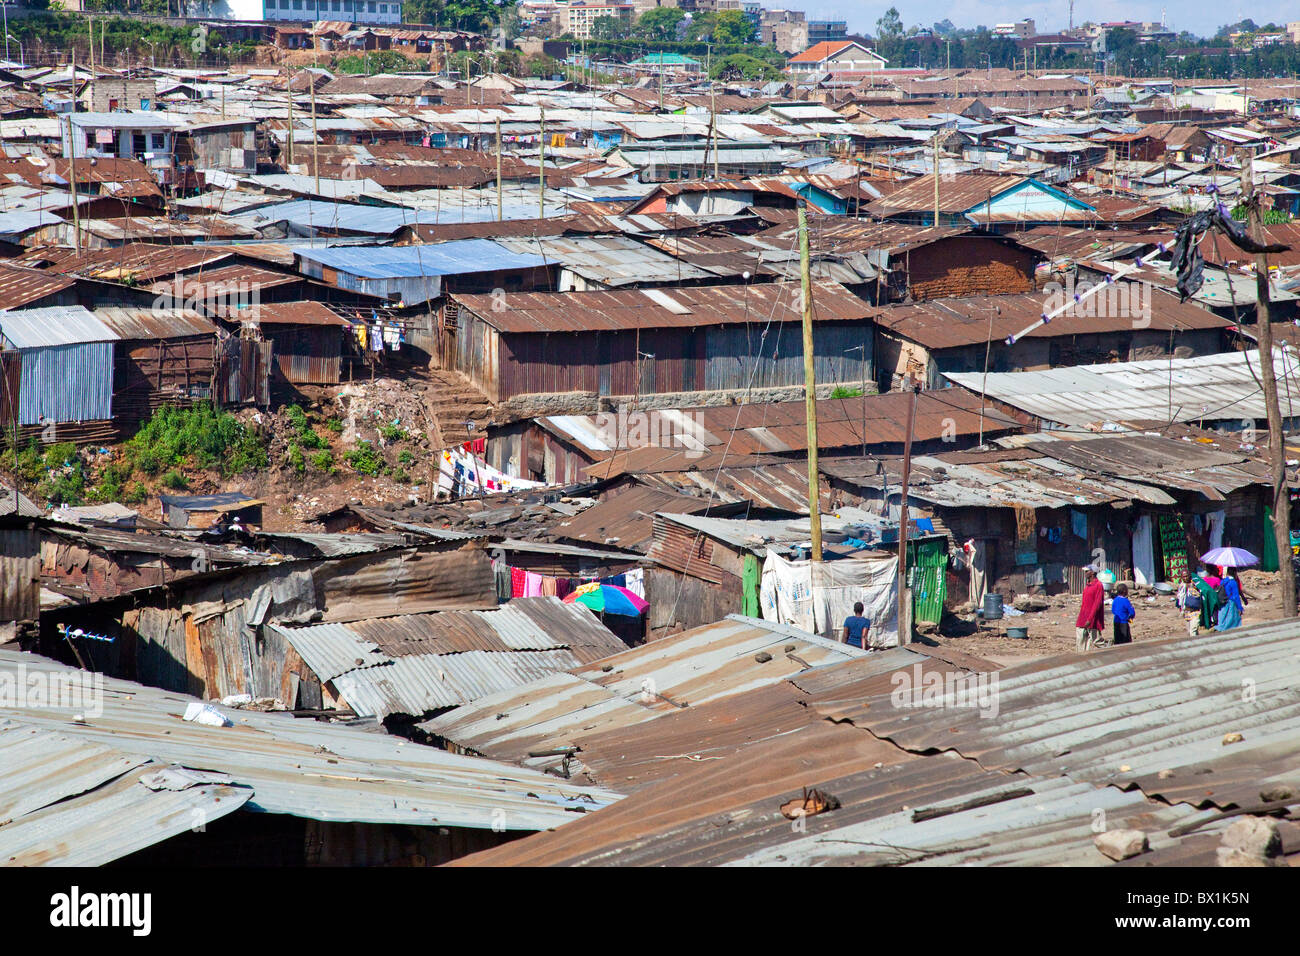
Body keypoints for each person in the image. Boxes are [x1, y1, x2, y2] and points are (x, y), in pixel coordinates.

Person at [1076, 565, 1105, 652]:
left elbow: (1097, 604)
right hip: (1083, 617)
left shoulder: (1098, 585)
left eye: (1087, 571)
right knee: (1080, 640)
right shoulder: (1088, 586)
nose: (1085, 573)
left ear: (1092, 573)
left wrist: (1090, 619)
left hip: (1092, 619)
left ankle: (1110, 654)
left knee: (1097, 641)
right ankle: (1081, 659)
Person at [1176, 571, 1202, 637]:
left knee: (1193, 630)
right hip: (1187, 612)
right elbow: (1180, 600)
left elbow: (1200, 595)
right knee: (1190, 632)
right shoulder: (1181, 586)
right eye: (1184, 576)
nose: (1185, 578)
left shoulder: (1195, 584)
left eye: (1186, 576)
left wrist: (1195, 588)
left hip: (1195, 611)